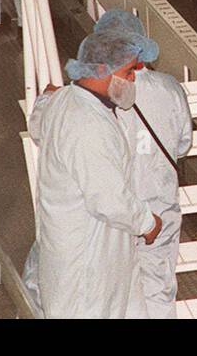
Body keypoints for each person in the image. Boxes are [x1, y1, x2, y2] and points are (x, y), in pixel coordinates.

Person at [32, 30, 162, 318]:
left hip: (103, 254)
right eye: (129, 72)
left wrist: (44, 99)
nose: (132, 80)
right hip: (87, 267)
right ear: (103, 69)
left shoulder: (66, 100)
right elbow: (108, 199)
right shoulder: (86, 123)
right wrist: (147, 222)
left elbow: (37, 126)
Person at [94, 9, 192, 319]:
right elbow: (183, 144)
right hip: (159, 212)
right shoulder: (169, 88)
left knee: (112, 296)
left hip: (114, 217)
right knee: (158, 293)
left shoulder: (95, 97)